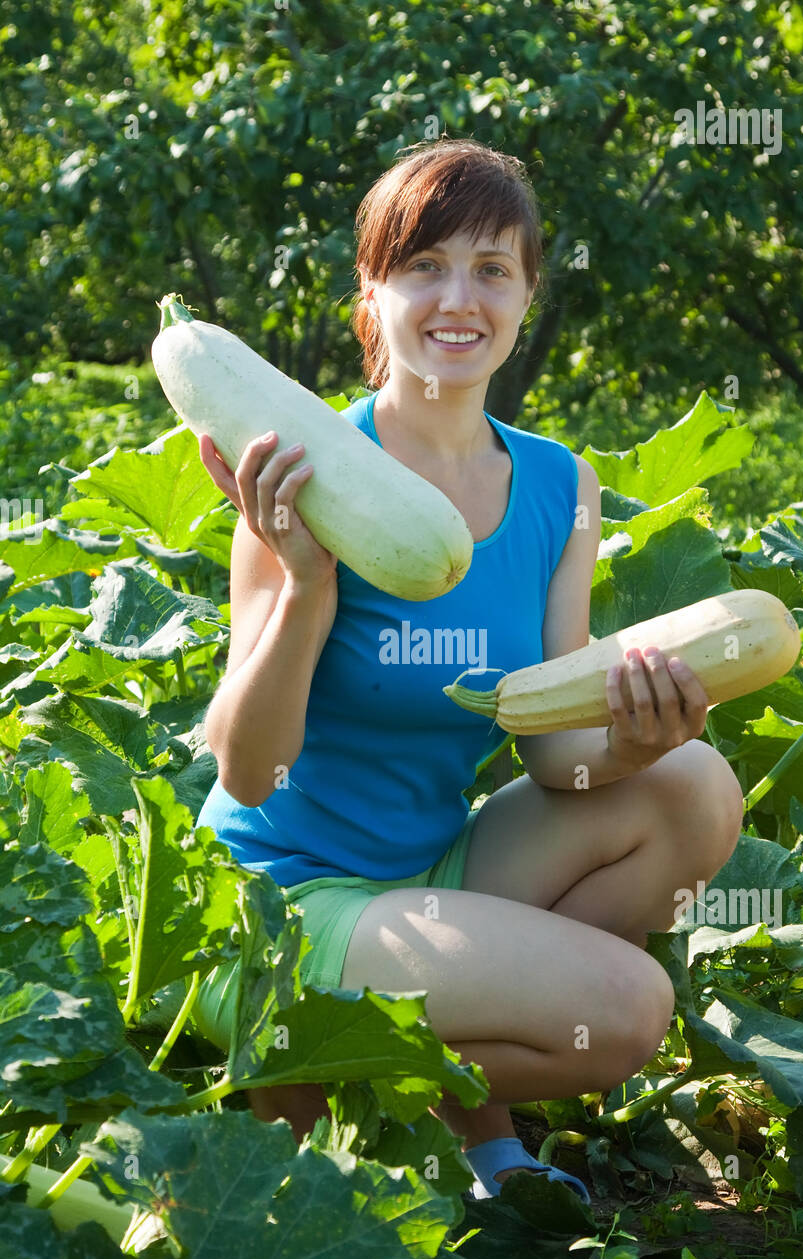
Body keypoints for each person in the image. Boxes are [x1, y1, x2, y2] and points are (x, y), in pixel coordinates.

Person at [194, 137, 743, 1201]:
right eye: (424, 264)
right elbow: (248, 770)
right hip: (283, 903)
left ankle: (424, 1079)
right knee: (628, 1009)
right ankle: (326, 1071)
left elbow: (553, 753)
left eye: (492, 268)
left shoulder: (557, 484)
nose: (459, 296)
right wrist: (307, 585)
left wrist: (631, 736)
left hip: (432, 871)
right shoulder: (302, 474)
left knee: (693, 788)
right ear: (372, 291)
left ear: (527, 293)